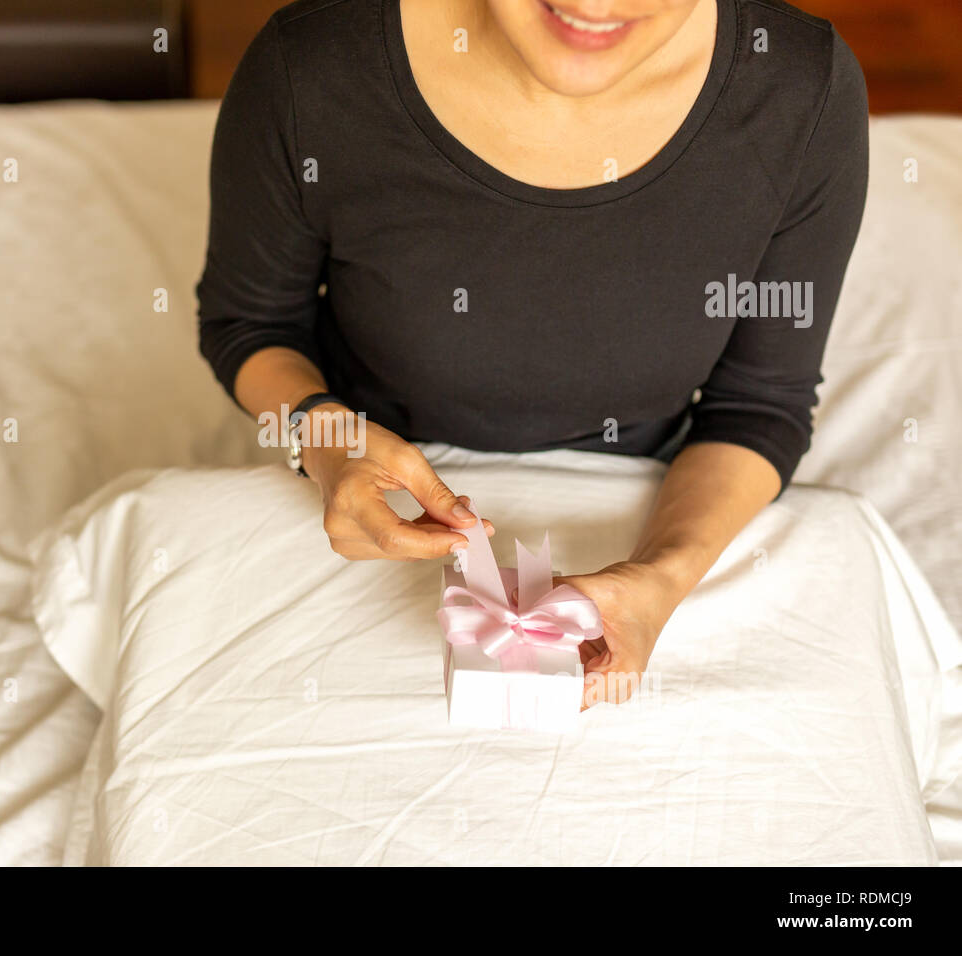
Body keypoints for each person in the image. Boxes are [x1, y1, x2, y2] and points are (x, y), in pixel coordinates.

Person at [197, 0, 869, 705]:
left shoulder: (801, 92)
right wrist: (325, 437)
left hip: (659, 509)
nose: (598, 5)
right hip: (359, 510)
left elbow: (759, 406)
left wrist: (660, 579)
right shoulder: (313, 63)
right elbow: (250, 324)